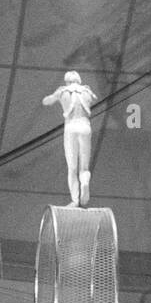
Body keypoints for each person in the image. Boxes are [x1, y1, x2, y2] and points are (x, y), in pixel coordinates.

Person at [41, 71, 98, 207]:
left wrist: (56, 94)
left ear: (67, 81)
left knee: (72, 168)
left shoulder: (63, 91)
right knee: (84, 167)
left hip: (71, 127)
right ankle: (84, 182)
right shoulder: (87, 91)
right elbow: (94, 98)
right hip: (85, 126)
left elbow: (46, 102)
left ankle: (75, 199)